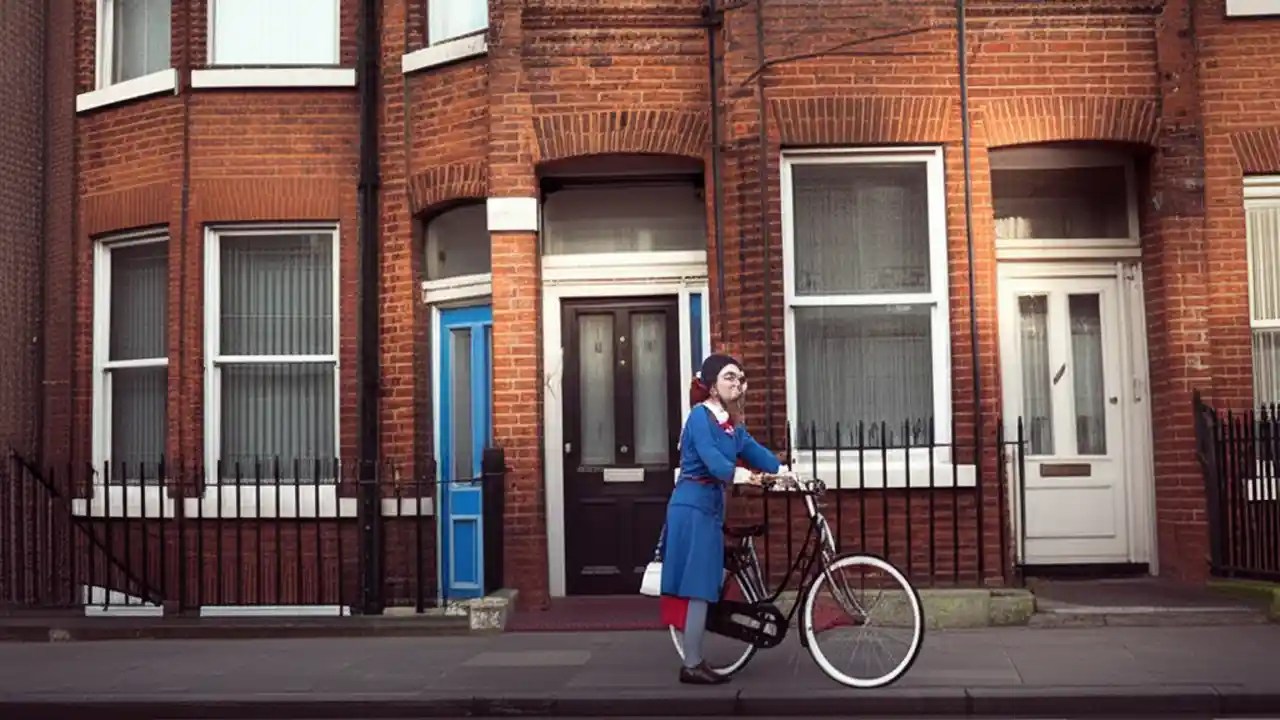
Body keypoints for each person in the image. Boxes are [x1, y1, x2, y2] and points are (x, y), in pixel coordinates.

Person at [658, 353, 790, 685]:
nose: (738, 383)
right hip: (691, 508)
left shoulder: (730, 425)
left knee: (705, 582)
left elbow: (757, 452)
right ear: (713, 386)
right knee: (698, 586)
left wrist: (787, 474)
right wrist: (750, 478)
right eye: (730, 377)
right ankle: (691, 664)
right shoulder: (700, 418)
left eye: (741, 378)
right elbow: (716, 464)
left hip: (709, 508)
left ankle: (695, 655)